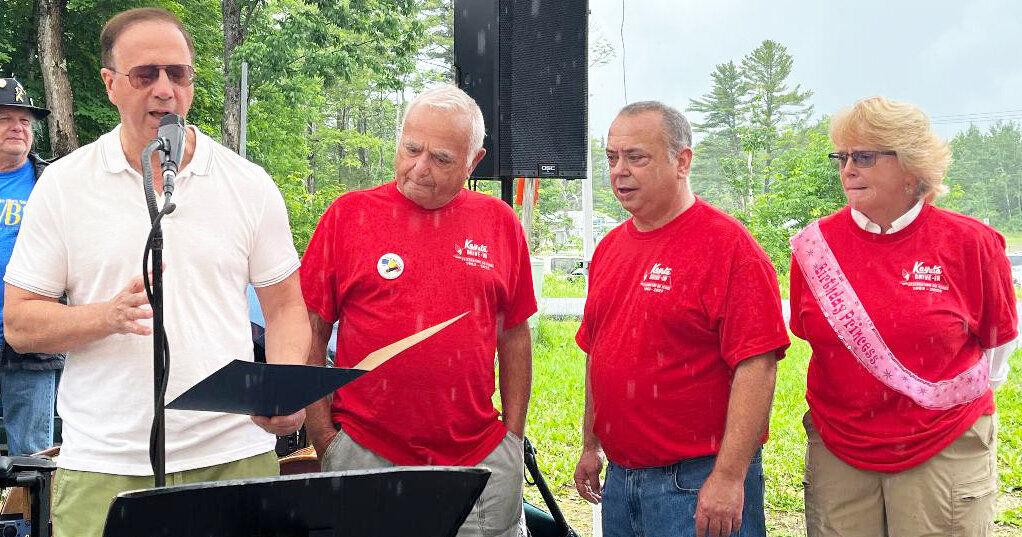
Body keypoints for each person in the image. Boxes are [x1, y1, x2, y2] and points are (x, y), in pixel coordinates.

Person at [2, 9, 311, 537]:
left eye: (179, 73)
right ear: (111, 85)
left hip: (232, 457)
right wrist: (106, 317)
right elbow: (20, 324)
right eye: (145, 75)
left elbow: (284, 307)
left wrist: (282, 391)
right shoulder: (66, 186)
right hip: (105, 466)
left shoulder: (247, 184)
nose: (165, 89)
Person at [300, 84, 535, 537]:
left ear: (474, 162)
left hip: (478, 459)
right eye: (411, 149)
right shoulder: (349, 216)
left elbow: (514, 332)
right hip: (364, 453)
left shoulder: (499, 221)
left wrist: (513, 434)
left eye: (442, 159)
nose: (420, 168)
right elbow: (311, 328)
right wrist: (324, 435)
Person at [789, 96, 1019, 537]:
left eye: (865, 156)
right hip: (839, 446)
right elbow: (809, 335)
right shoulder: (813, 247)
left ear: (912, 168)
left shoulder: (971, 243)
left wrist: (940, 404)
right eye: (843, 156)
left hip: (943, 444)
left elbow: (998, 342)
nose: (848, 168)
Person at [573, 101, 789, 537]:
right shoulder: (610, 248)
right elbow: (598, 354)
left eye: (636, 157)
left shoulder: (729, 248)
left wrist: (728, 477)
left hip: (695, 483)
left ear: (682, 161)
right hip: (621, 480)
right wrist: (589, 445)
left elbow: (758, 366)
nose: (619, 171)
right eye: (612, 157)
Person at [0, 77, 63, 456]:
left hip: (33, 335)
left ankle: (29, 519)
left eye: (25, 121)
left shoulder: (54, 183)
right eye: (7, 118)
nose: (18, 128)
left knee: (32, 457)